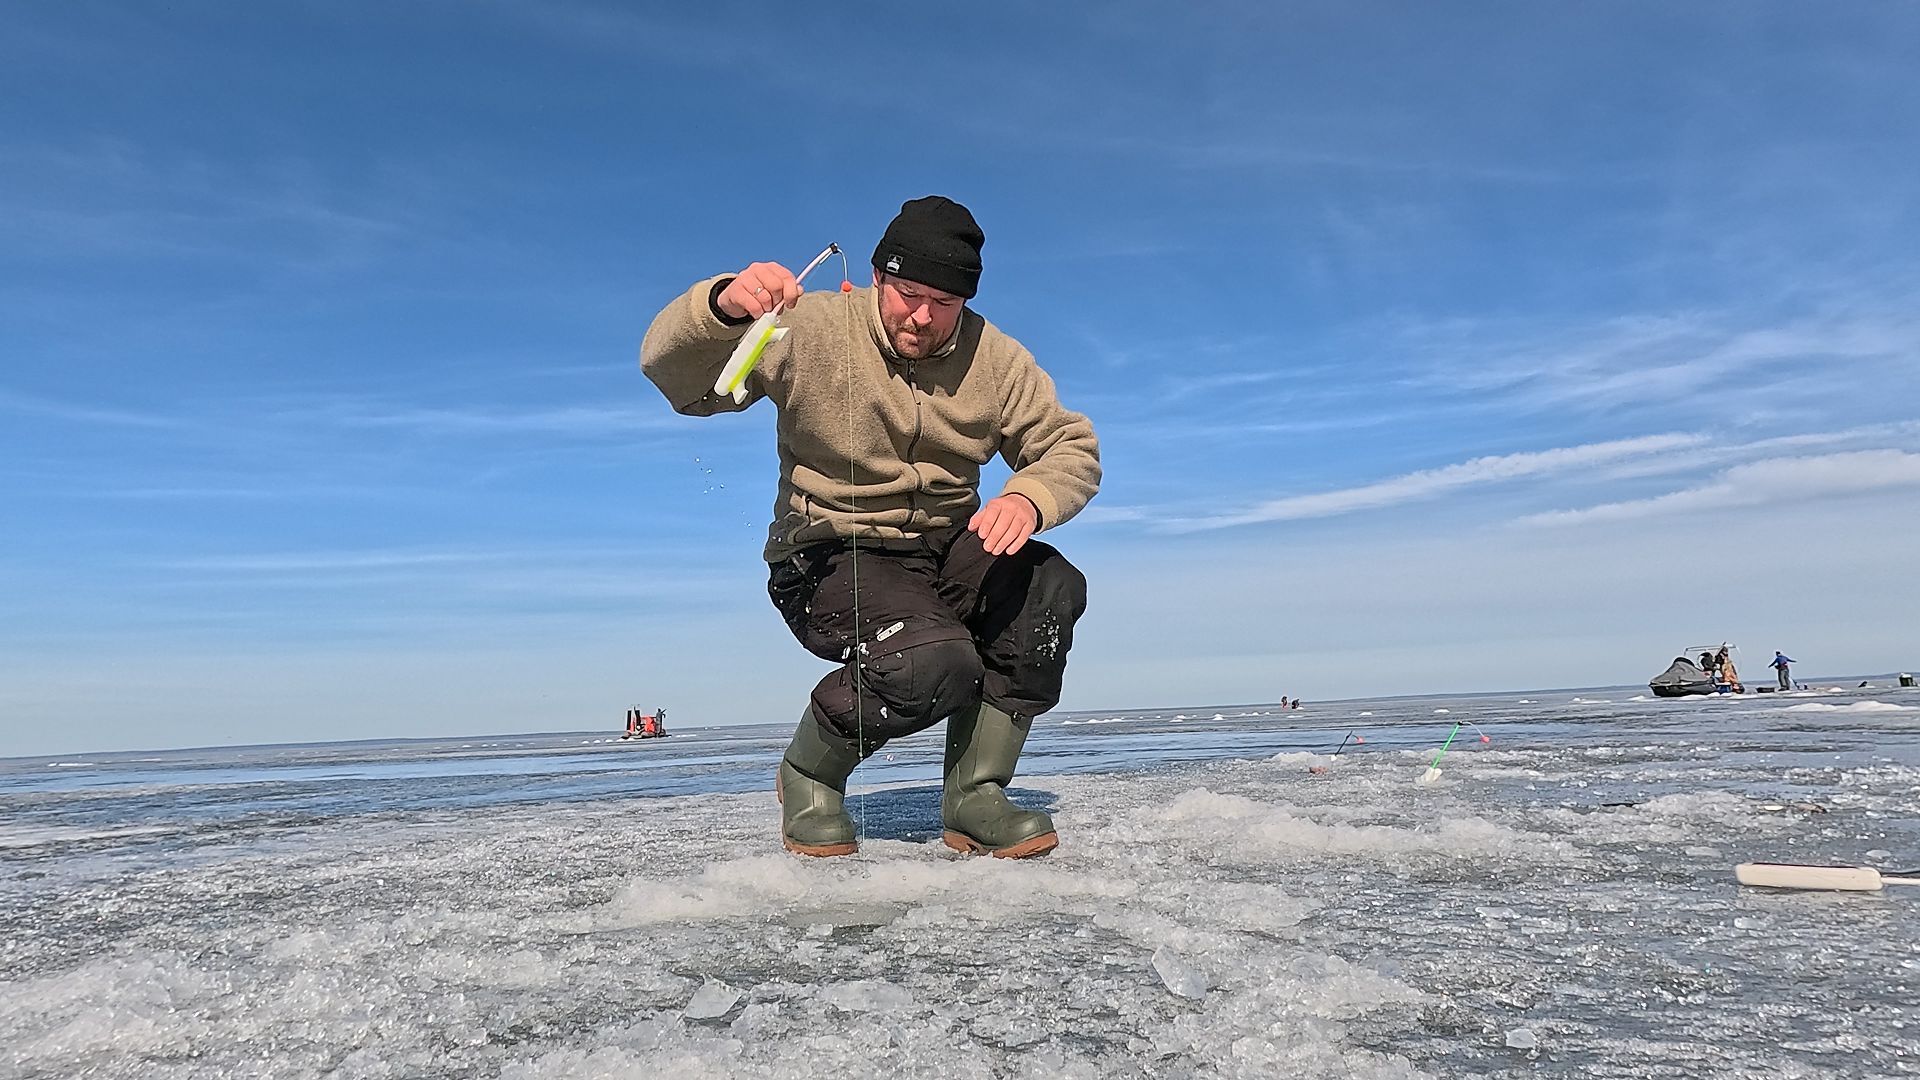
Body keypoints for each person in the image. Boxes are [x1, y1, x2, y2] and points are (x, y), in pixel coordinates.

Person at [641, 196, 1100, 860]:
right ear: (880, 278)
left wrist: (1030, 497)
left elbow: (1070, 446)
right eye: (909, 293)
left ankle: (975, 796)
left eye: (944, 302)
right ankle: (810, 775)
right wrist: (720, 308)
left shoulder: (994, 357)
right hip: (826, 554)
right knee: (931, 663)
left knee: (1047, 589)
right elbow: (677, 380)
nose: (923, 315)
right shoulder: (808, 326)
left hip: (941, 550)